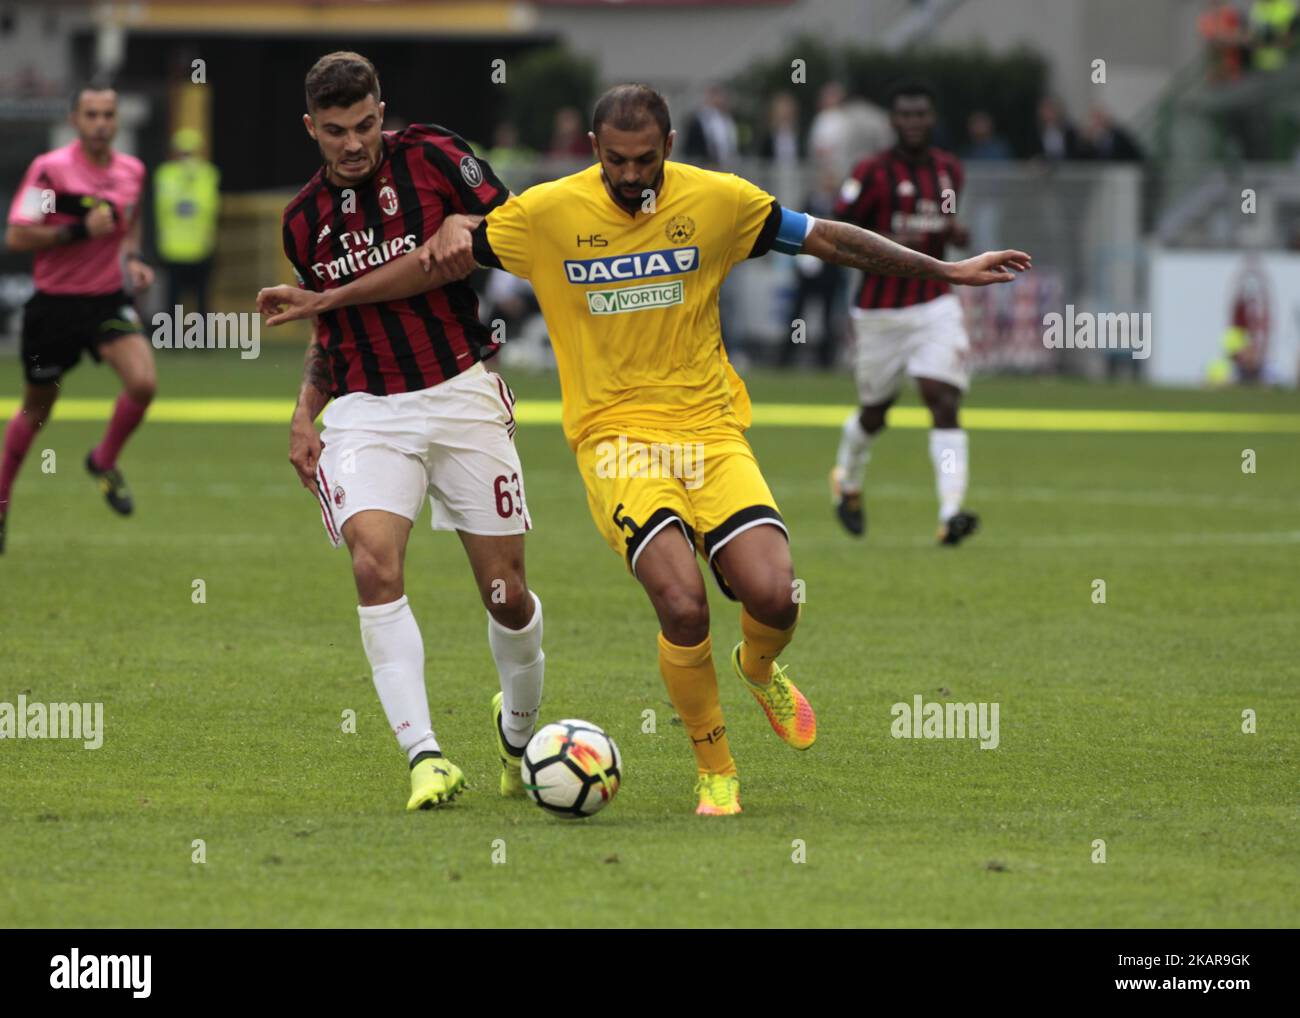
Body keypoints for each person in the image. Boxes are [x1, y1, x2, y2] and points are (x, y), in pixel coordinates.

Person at [259, 83, 1030, 815]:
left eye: (645, 160)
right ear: (595, 148)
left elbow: (821, 236)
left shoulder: (717, 200)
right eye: (615, 161)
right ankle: (716, 771)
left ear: (666, 144)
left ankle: (758, 666)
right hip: (614, 440)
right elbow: (426, 267)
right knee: (683, 601)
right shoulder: (548, 214)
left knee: (772, 593)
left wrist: (943, 270)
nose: (631, 176)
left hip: (710, 432)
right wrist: (381, 273)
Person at [278, 51, 545, 811]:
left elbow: (520, 221)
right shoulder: (302, 222)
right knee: (374, 567)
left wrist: (471, 219)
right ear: (311, 128)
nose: (354, 143)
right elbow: (326, 327)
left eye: (365, 125)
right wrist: (306, 409)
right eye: (335, 132)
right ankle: (425, 757)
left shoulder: (433, 156)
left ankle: (519, 736)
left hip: (461, 391)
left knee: (506, 594)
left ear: (381, 109)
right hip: (367, 410)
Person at [2, 84, 155, 554]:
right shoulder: (51, 172)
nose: (101, 123)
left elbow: (128, 226)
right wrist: (76, 231)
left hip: (105, 303)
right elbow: (18, 237)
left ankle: (102, 459)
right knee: (35, 411)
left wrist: (131, 259)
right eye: (91, 114)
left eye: (108, 114)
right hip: (54, 307)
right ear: (75, 120)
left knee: (143, 383)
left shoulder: (132, 171)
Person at [830, 81, 982, 545]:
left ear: (931, 119)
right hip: (880, 312)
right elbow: (839, 227)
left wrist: (954, 235)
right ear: (893, 121)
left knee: (943, 399)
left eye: (921, 114)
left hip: (935, 303)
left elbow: (942, 223)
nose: (913, 122)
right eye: (905, 114)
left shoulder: (948, 169)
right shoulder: (871, 173)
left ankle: (951, 511)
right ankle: (847, 480)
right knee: (876, 411)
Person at [154, 127, 221, 320]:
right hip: (177, 247)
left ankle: (198, 340)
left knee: (199, 297)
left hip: (197, 245)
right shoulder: (167, 173)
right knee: (175, 298)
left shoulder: (207, 173)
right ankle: (175, 338)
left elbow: (209, 206)